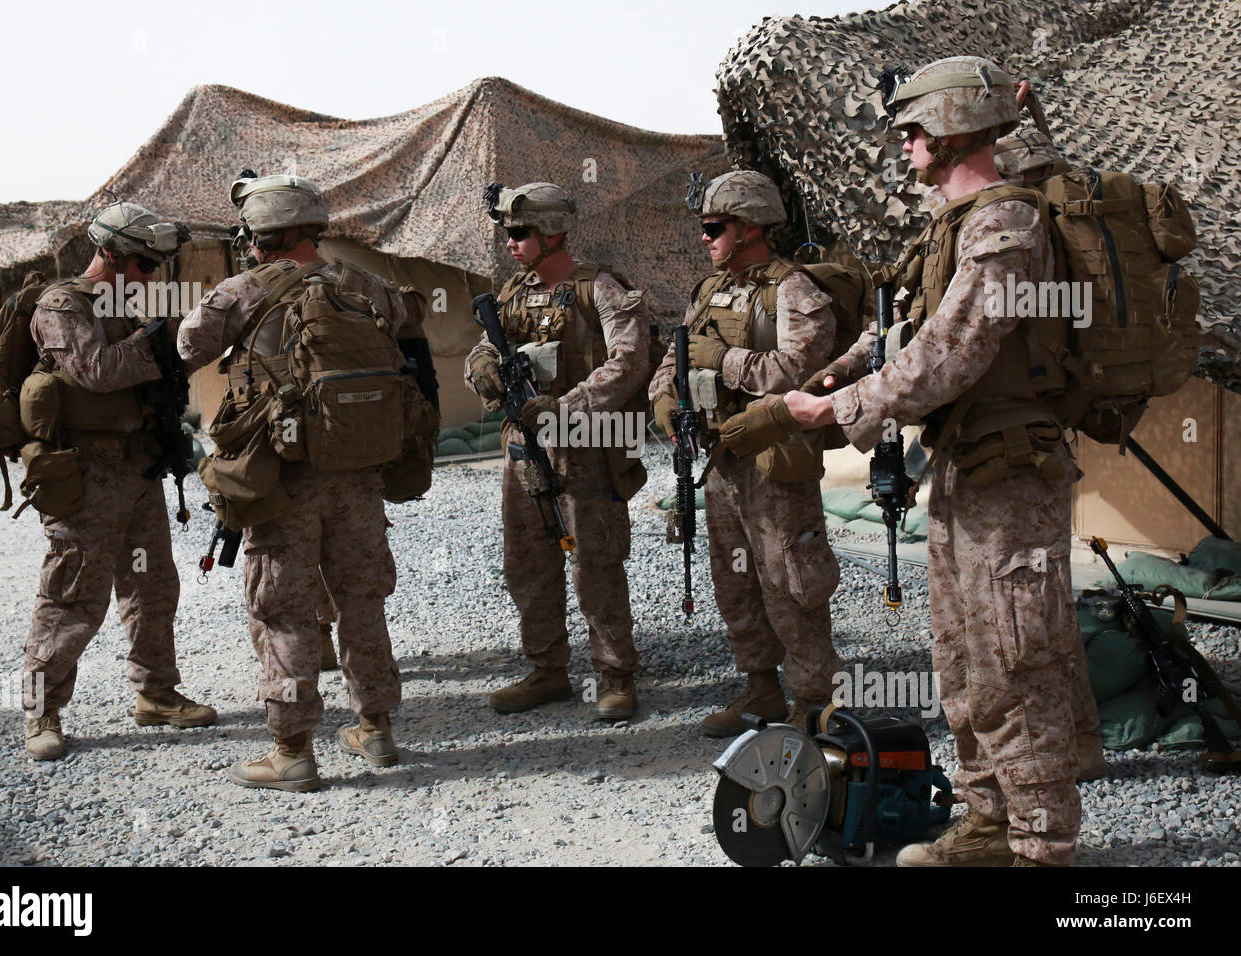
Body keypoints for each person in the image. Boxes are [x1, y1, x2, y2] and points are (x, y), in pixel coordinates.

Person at [723, 57, 1085, 866]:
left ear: (955, 125)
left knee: (1018, 658)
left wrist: (828, 410)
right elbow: (906, 331)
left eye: (915, 127)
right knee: (963, 660)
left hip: (1013, 476)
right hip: (964, 468)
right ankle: (989, 821)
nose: (904, 142)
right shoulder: (954, 225)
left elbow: (948, 357)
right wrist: (838, 373)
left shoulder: (1007, 226)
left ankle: (1042, 846)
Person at [178, 173, 429, 790]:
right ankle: (377, 729)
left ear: (264, 233)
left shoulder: (242, 290)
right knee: (362, 602)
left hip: (283, 479)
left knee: (284, 611)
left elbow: (188, 345)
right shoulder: (366, 286)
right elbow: (407, 316)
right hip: (359, 474)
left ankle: (291, 749)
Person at [648, 170, 842, 738]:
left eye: (716, 226)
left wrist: (724, 358)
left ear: (752, 226)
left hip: (773, 462)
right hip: (718, 462)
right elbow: (675, 357)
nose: (706, 238)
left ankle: (814, 701)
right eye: (704, 228)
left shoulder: (794, 291)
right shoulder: (707, 291)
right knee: (735, 582)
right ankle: (760, 688)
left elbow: (799, 374)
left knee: (790, 581)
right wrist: (666, 397)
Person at [22, 201, 216, 761]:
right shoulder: (62, 305)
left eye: (154, 267)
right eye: (142, 264)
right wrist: (157, 346)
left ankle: (156, 693)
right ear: (109, 253)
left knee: (152, 587)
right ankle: (42, 712)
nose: (150, 276)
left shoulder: (128, 306)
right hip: (86, 473)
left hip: (138, 468)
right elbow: (95, 371)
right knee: (72, 596)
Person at [464, 182, 650, 720]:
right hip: (525, 451)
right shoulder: (514, 293)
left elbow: (630, 362)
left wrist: (564, 406)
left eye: (519, 233)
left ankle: (615, 673)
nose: (509, 243)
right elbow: (486, 346)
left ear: (551, 233)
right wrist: (482, 368)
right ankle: (547, 670)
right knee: (527, 564)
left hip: (588, 448)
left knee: (596, 562)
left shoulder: (601, 289)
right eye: (507, 233)